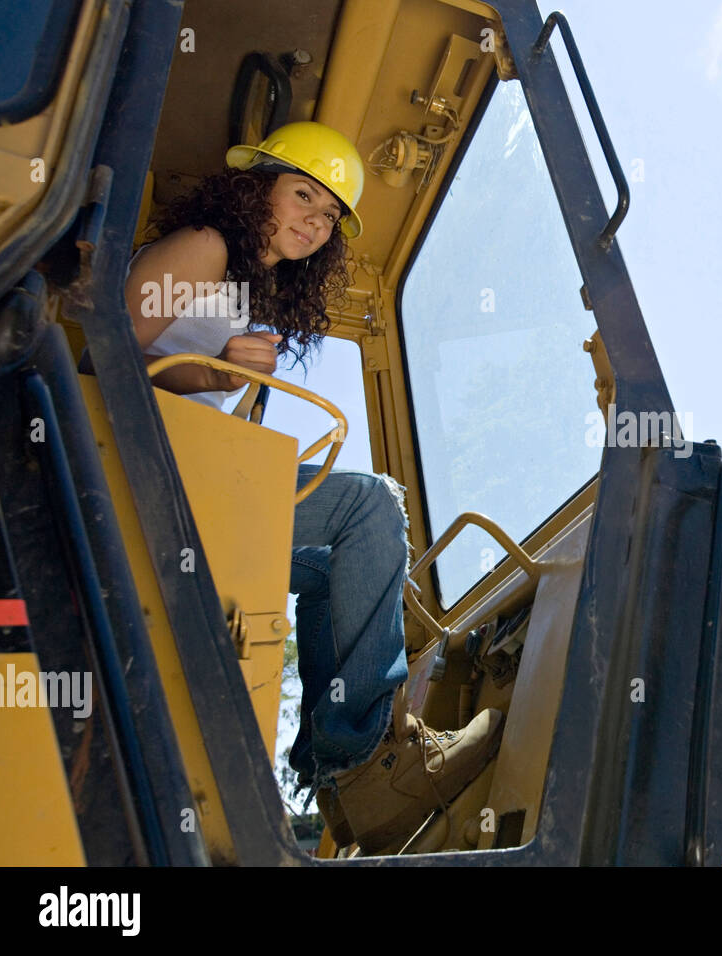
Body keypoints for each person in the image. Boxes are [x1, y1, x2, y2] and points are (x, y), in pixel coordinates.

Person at [122, 121, 502, 853]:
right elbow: (96, 356)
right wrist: (216, 370)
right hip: (149, 480)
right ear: (254, 186)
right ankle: (366, 759)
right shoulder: (203, 246)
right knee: (369, 503)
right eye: (303, 195)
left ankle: (340, 770)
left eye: (329, 216)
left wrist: (230, 380)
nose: (315, 221)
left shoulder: (242, 289)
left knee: (335, 572)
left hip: (190, 483)